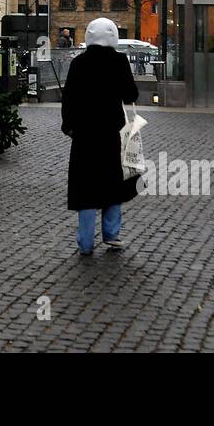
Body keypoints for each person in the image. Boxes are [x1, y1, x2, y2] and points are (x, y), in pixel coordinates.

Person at [61, 17, 140, 256]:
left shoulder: (79, 63)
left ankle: (85, 242)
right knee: (112, 184)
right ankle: (112, 234)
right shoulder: (119, 61)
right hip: (111, 132)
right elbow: (130, 94)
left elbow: (69, 98)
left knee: (85, 187)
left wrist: (70, 127)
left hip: (84, 134)